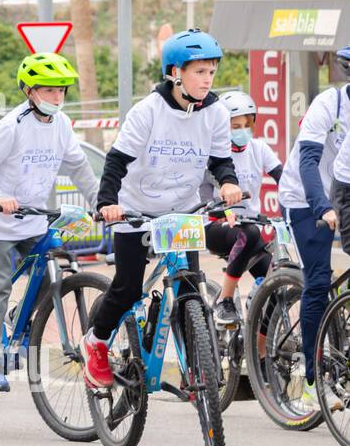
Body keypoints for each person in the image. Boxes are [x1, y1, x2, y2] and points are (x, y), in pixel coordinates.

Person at [83, 30, 242, 389]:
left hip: (181, 212)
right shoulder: (148, 112)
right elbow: (116, 162)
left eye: (212, 72)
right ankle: (95, 343)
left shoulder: (216, 112)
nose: (207, 80)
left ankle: (195, 369)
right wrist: (108, 203)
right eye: (199, 72)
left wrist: (228, 182)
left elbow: (219, 161)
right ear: (175, 72)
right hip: (136, 210)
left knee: (189, 289)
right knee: (126, 289)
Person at [0, 54, 99, 390]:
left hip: (33, 220)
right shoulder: (12, 126)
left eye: (62, 91)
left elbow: (79, 167)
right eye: (49, 91)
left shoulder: (62, 125)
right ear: (29, 91)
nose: (57, 98)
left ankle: (18, 318)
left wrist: (102, 203)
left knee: (47, 277)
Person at [283, 44, 350, 408]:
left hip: (346, 196)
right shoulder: (330, 104)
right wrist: (322, 205)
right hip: (305, 198)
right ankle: (311, 377)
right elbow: (308, 160)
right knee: (320, 279)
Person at [199, 91, 282, 330]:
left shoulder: (259, 148)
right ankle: (225, 300)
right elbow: (203, 197)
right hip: (215, 225)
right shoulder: (213, 154)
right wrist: (221, 211)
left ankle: (260, 353)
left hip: (249, 227)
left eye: (247, 125)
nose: (242, 130)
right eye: (235, 126)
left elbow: (282, 178)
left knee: (277, 284)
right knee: (250, 234)